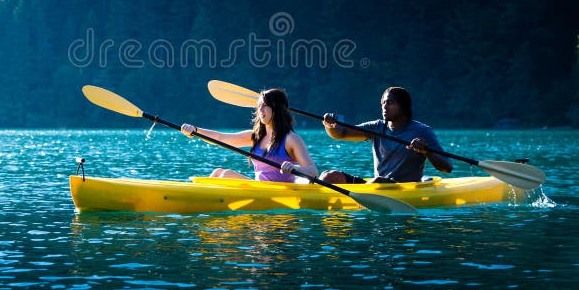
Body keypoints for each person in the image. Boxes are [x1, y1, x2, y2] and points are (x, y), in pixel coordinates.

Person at [180, 88, 319, 182]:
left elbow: (313, 171)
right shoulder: (255, 136)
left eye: (264, 105)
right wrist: (196, 131)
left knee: (226, 174)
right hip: (259, 189)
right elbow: (220, 138)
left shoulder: (291, 139)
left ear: (276, 109)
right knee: (218, 172)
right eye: (259, 106)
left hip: (279, 193)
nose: (260, 110)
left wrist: (294, 168)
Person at [320, 86, 452, 184]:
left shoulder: (422, 131)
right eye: (383, 103)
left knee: (378, 181)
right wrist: (329, 125)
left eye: (390, 103)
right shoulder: (376, 127)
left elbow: (447, 167)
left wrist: (427, 152)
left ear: (403, 106)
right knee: (328, 176)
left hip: (404, 189)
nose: (384, 107)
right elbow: (341, 134)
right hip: (379, 185)